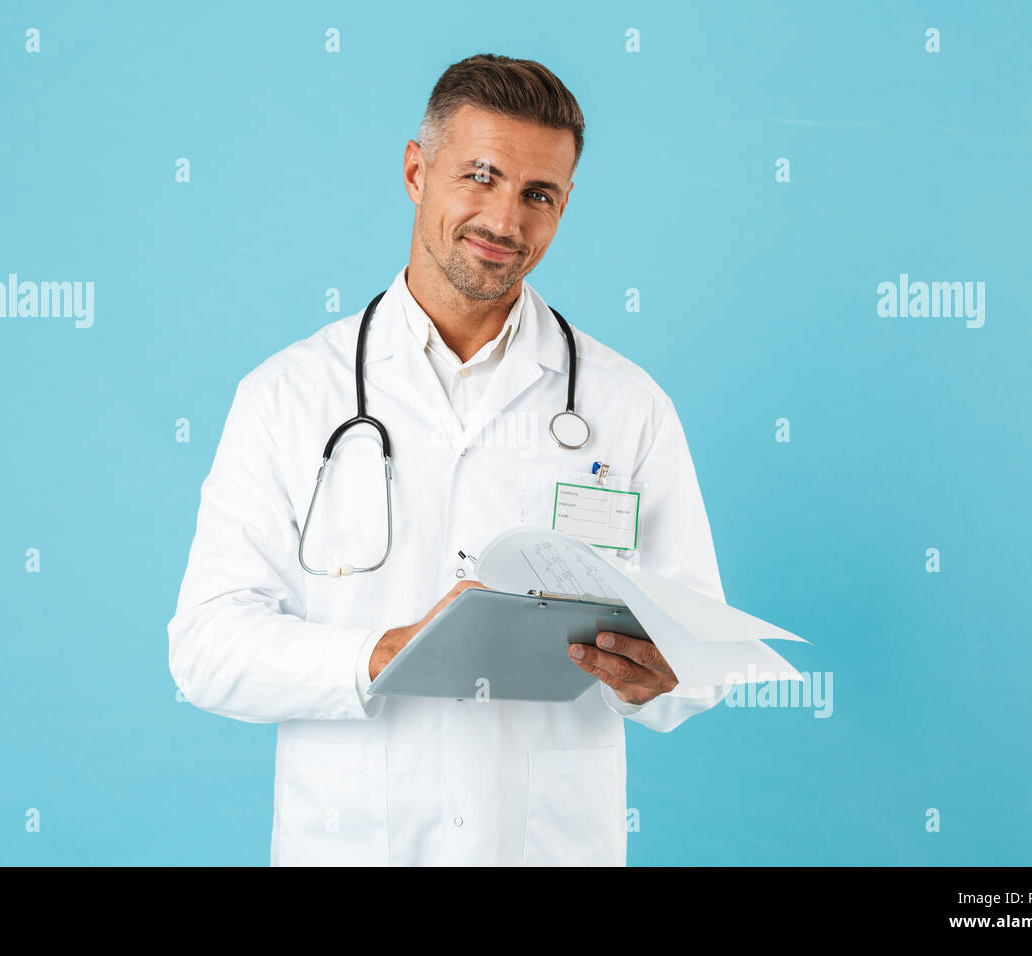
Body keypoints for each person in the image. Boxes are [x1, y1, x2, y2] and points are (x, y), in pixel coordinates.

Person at [167, 53, 730, 866]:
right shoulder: (286, 395)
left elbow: (701, 651)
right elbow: (206, 650)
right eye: (480, 176)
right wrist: (378, 652)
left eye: (538, 194)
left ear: (564, 209)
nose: (505, 220)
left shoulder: (627, 405)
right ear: (415, 171)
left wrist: (665, 677)